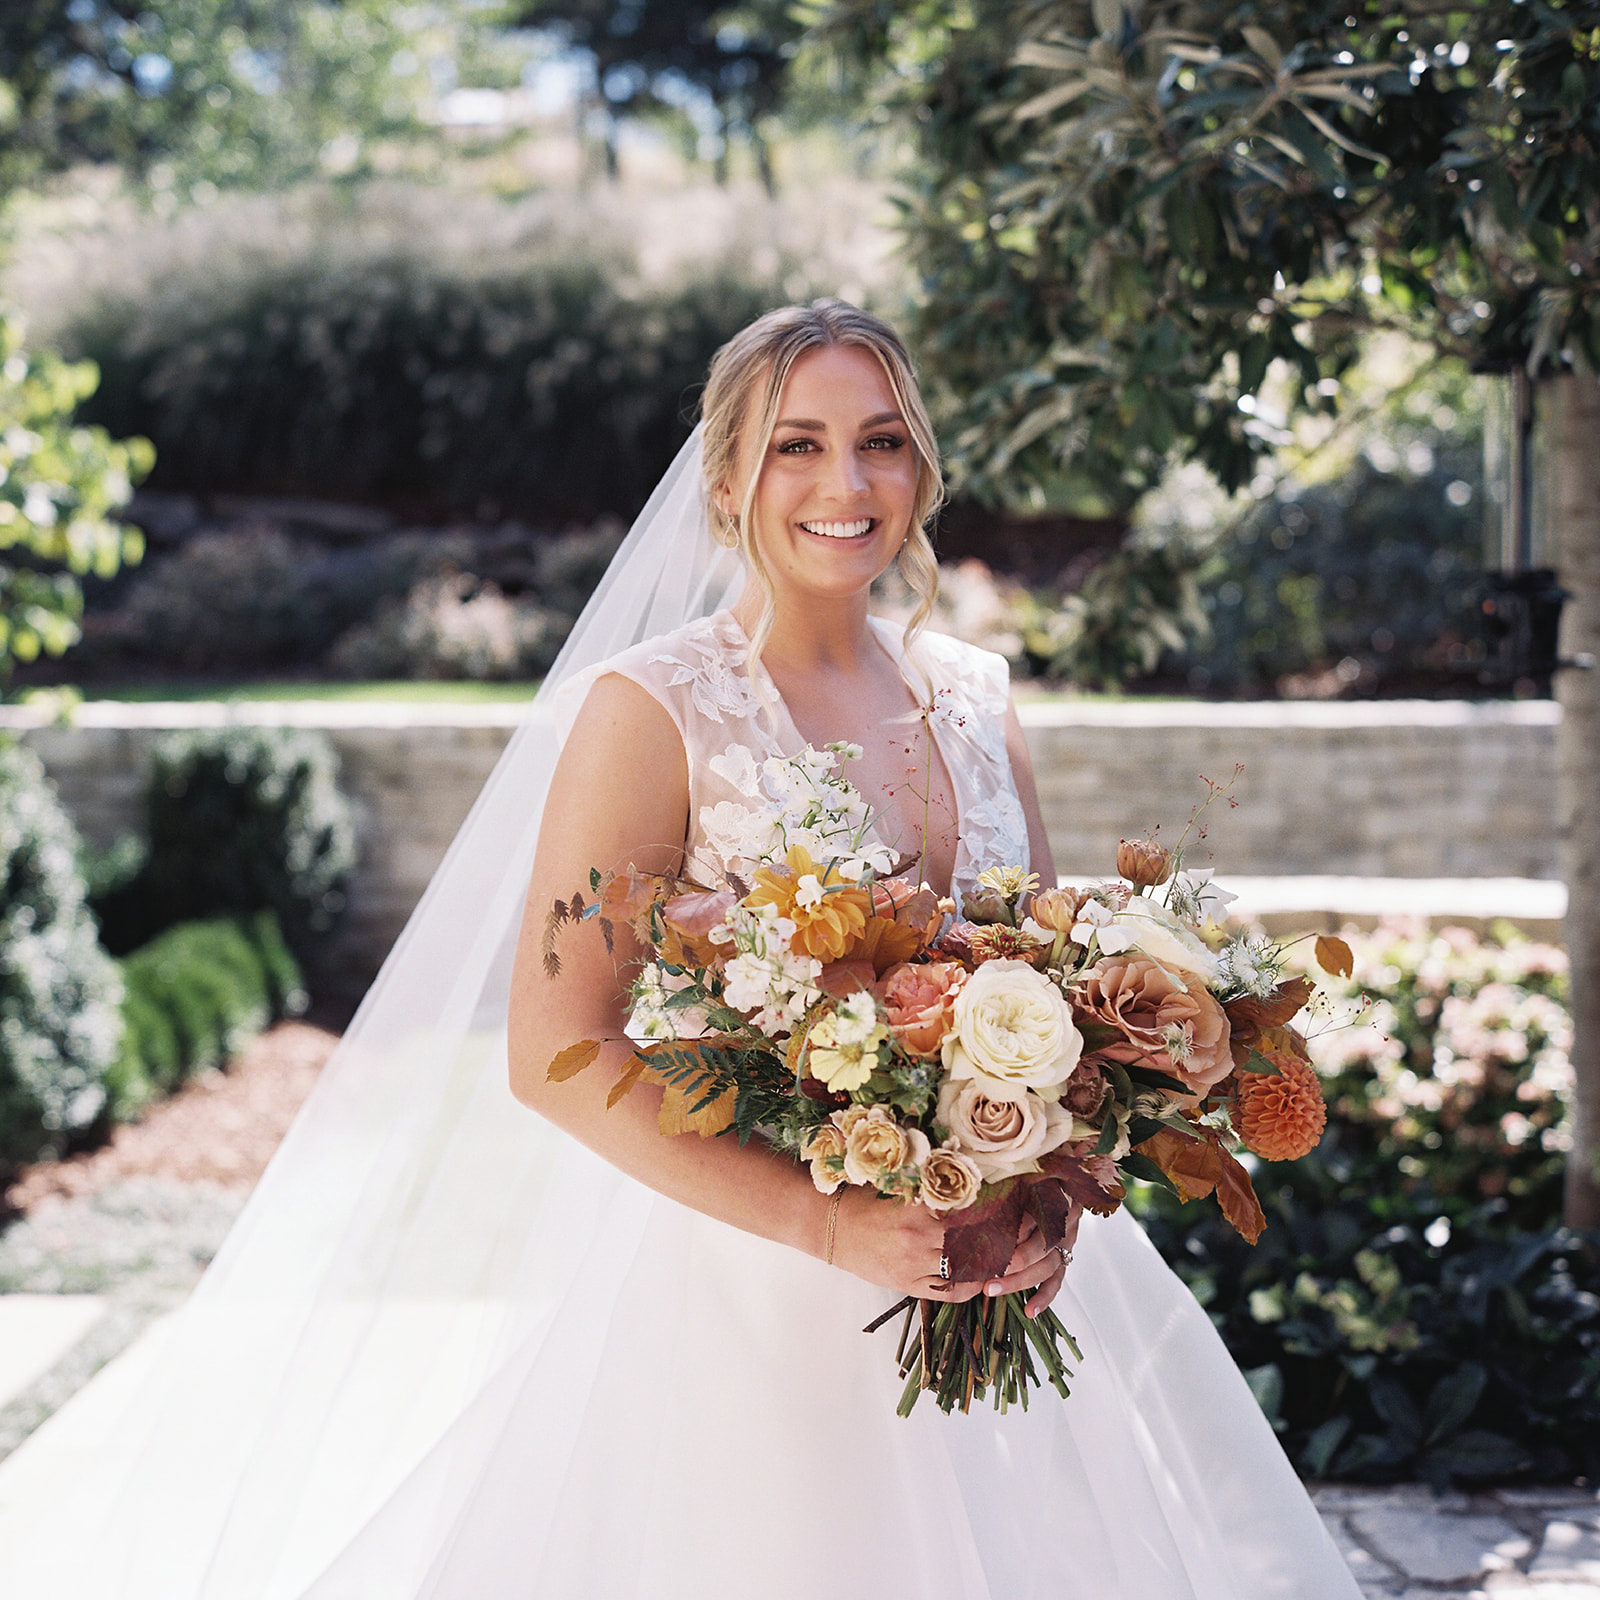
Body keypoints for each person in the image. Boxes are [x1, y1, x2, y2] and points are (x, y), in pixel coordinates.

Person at [0, 302, 1364, 1599]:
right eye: (799, 443)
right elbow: (555, 1052)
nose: (848, 478)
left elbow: (1054, 994)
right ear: (726, 481)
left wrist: (1055, 1187)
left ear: (921, 470)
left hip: (1009, 1278)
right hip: (758, 1308)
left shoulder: (979, 695)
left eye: (881, 438)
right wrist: (830, 1223)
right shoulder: (651, 712)